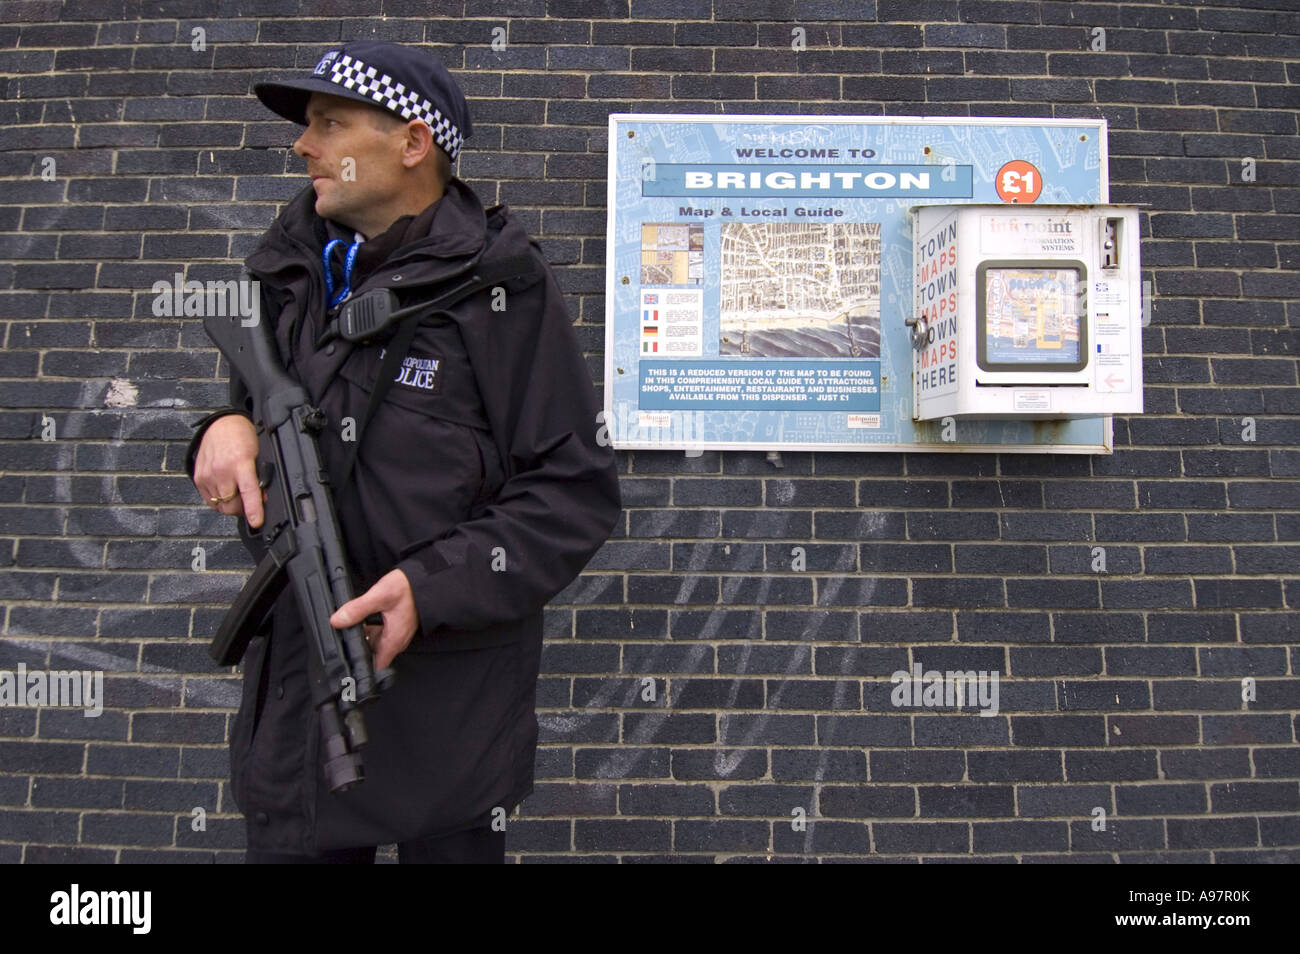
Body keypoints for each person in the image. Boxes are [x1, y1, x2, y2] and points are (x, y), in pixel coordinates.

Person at [185, 41, 622, 863]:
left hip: (444, 729)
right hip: (295, 723)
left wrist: (429, 586)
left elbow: (574, 490)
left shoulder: (503, 290)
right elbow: (265, 412)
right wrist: (220, 428)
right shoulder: (289, 272)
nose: (302, 145)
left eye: (330, 122)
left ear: (413, 143)